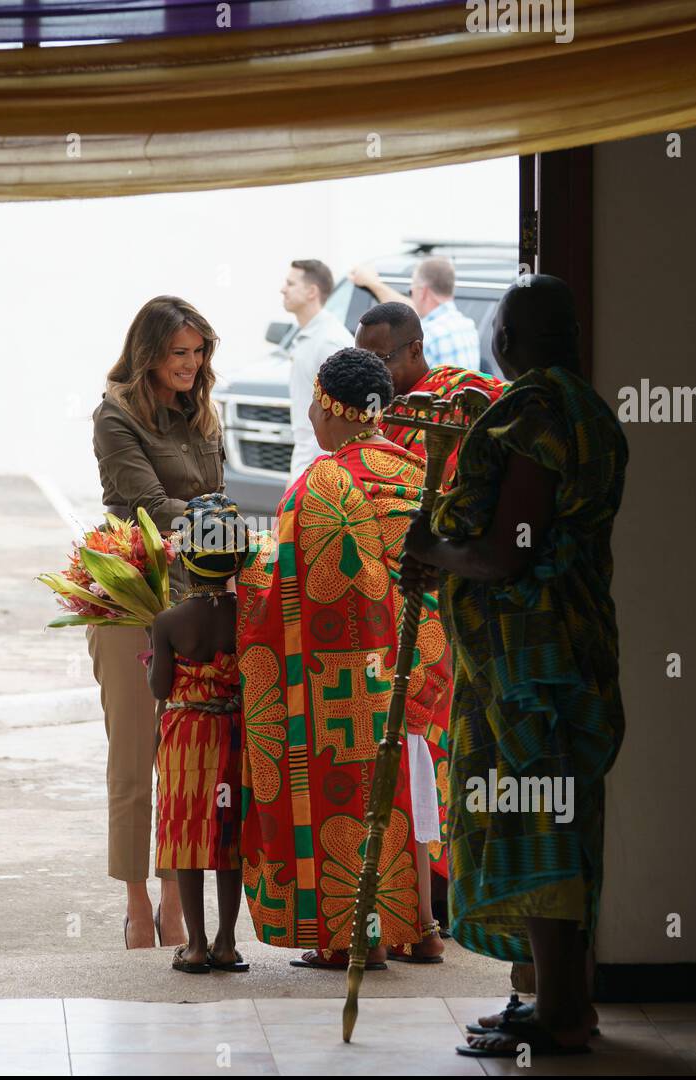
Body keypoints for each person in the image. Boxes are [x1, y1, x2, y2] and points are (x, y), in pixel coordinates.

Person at [400, 275, 628, 1057]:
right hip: (579, 644)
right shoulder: (593, 412)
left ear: (509, 340)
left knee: (539, 821)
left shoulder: (533, 410)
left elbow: (508, 552)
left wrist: (432, 550)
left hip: (532, 663)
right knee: (563, 818)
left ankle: (559, 1010)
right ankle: (563, 1002)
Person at [237, 346, 450, 969]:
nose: (308, 416)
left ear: (333, 404)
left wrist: (235, 578)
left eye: (313, 402)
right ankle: (424, 928)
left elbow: (293, 584)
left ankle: (359, 937)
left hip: (364, 664)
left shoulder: (328, 481)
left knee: (360, 793)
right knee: (413, 791)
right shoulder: (417, 470)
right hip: (431, 664)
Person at [355, 299, 507, 937]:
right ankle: (419, 895)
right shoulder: (380, 414)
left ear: (415, 350)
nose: (372, 372)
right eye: (363, 358)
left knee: (450, 751)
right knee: (412, 748)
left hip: (458, 603)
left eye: (381, 359)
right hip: (401, 607)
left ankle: (449, 898)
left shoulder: (461, 398)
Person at [90, 295, 225, 950]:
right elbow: (150, 506)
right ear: (149, 355)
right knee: (135, 752)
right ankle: (137, 899)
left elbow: (211, 498)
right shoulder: (114, 416)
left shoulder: (203, 412)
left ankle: (176, 893)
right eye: (180, 353)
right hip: (130, 594)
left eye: (199, 352)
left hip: (194, 595)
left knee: (187, 755)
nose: (192, 365)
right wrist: (221, 526)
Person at [147, 494, 249, 974]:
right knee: (229, 840)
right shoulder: (245, 617)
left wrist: (154, 659)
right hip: (232, 736)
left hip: (186, 739)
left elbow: (160, 687)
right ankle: (228, 943)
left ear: (184, 557)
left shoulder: (168, 622)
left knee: (184, 838)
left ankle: (195, 945)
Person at [279, 260, 354, 486]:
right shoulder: (309, 335)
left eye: (291, 284)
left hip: (321, 472)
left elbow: (344, 418)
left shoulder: (330, 341)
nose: (283, 289)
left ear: (312, 292)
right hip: (305, 463)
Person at [350, 254, 480, 370]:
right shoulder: (467, 326)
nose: (411, 297)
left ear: (423, 292)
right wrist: (374, 284)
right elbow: (409, 310)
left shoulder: (427, 336)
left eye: (411, 291)